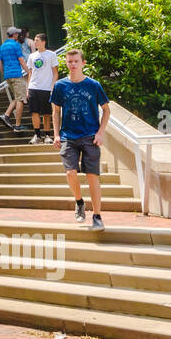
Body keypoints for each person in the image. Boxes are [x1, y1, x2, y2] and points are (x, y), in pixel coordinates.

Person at [51, 49, 111, 231]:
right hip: (69, 136)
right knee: (70, 173)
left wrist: (100, 133)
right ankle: (79, 202)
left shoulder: (93, 85)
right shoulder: (60, 86)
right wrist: (55, 134)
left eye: (76, 61)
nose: (73, 65)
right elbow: (55, 111)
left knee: (92, 176)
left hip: (90, 136)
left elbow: (106, 110)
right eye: (70, 61)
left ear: (83, 63)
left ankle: (97, 216)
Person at [25, 32, 60, 144]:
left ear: (43, 42)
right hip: (33, 87)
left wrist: (53, 86)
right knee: (34, 112)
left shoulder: (51, 55)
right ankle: (37, 135)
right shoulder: (32, 56)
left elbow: (55, 72)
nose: (35, 42)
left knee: (46, 112)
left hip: (46, 88)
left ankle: (47, 135)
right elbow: (30, 73)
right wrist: (28, 88)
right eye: (34, 40)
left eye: (37, 40)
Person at [0, 27, 29, 131]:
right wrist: (29, 72)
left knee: (17, 97)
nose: (18, 35)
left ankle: (6, 115)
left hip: (8, 76)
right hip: (16, 75)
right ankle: (18, 125)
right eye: (17, 34)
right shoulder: (16, 45)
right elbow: (21, 60)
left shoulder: (2, 46)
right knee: (20, 99)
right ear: (14, 34)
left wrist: (5, 73)